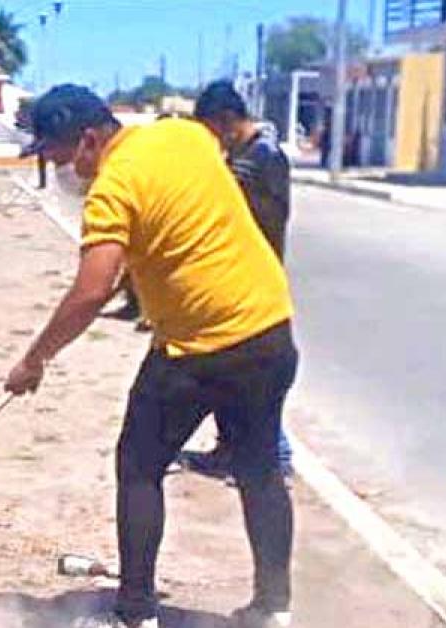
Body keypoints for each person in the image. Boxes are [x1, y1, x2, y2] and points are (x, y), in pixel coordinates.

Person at [4, 85, 298, 628]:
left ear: (90, 140)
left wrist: (35, 359)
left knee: (138, 465)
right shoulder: (184, 135)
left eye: (61, 155)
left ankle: (135, 613)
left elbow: (91, 290)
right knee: (258, 468)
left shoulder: (113, 188)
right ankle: (274, 607)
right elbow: (182, 214)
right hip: (268, 330)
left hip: (199, 350)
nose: (61, 168)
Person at [190, 80, 294, 479]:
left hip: (254, 278)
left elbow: (256, 215)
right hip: (237, 274)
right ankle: (229, 448)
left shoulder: (262, 157)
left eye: (213, 131)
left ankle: (275, 458)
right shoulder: (244, 155)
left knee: (254, 384)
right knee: (229, 374)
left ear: (228, 121)